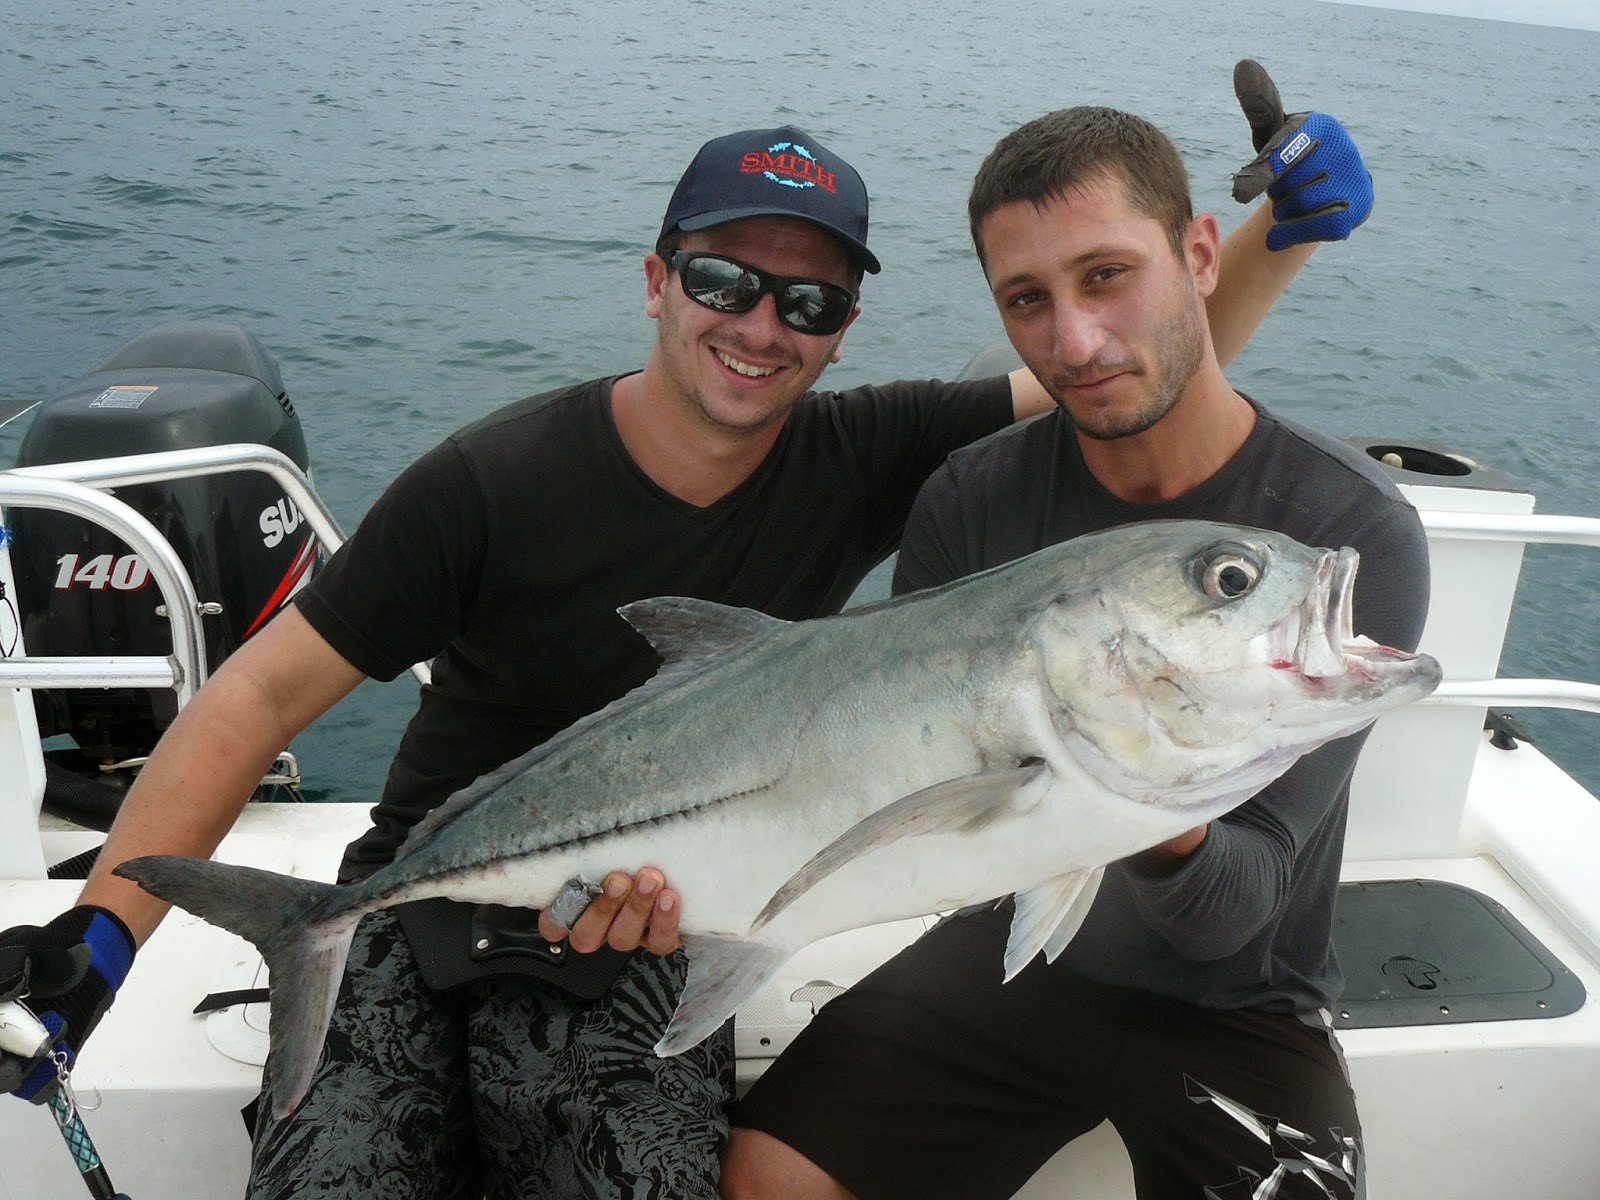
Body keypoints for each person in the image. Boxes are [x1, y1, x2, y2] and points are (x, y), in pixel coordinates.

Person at [0, 79, 1374, 1200]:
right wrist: (104, 933)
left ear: (841, 333)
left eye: (809, 302)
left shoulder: (865, 451)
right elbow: (254, 699)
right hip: (423, 897)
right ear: (657, 279)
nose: (761, 327)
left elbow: (1112, 361)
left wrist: (1281, 234)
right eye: (725, 278)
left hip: (660, 905)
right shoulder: (490, 479)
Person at [721, 104, 1428, 1200]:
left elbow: (1233, 910)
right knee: (766, 1178)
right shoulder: (969, 501)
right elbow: (931, 803)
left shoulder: (1342, 532)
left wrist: (1132, 769)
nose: (1076, 342)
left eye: (1107, 276)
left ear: (1203, 256)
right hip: (1014, 943)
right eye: (1027, 300)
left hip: (1239, 1000)